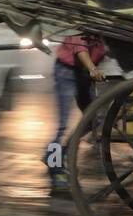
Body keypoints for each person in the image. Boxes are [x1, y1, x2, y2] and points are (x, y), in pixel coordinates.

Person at [44, 33, 105, 193]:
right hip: (67, 71)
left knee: (93, 119)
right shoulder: (83, 25)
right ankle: (55, 167)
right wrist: (93, 69)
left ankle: (61, 152)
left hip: (83, 73)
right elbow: (80, 49)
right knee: (64, 126)